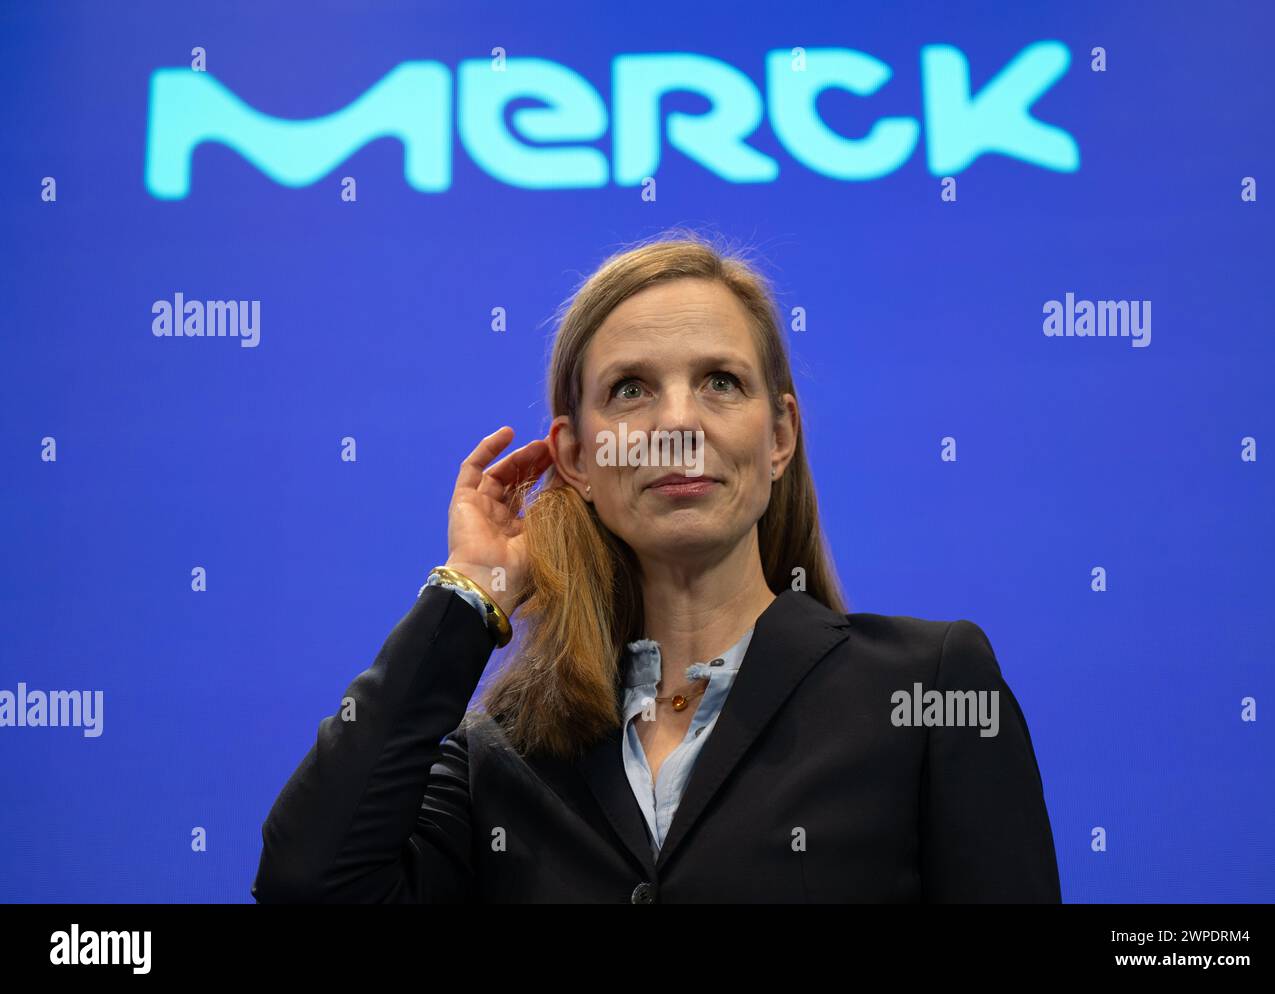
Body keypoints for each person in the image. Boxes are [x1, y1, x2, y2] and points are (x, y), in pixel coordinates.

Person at [251, 231, 1061, 903]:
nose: (678, 422)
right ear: (574, 457)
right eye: (633, 390)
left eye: (720, 382)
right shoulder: (500, 760)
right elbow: (307, 885)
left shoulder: (925, 686)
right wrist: (471, 594)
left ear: (779, 438)